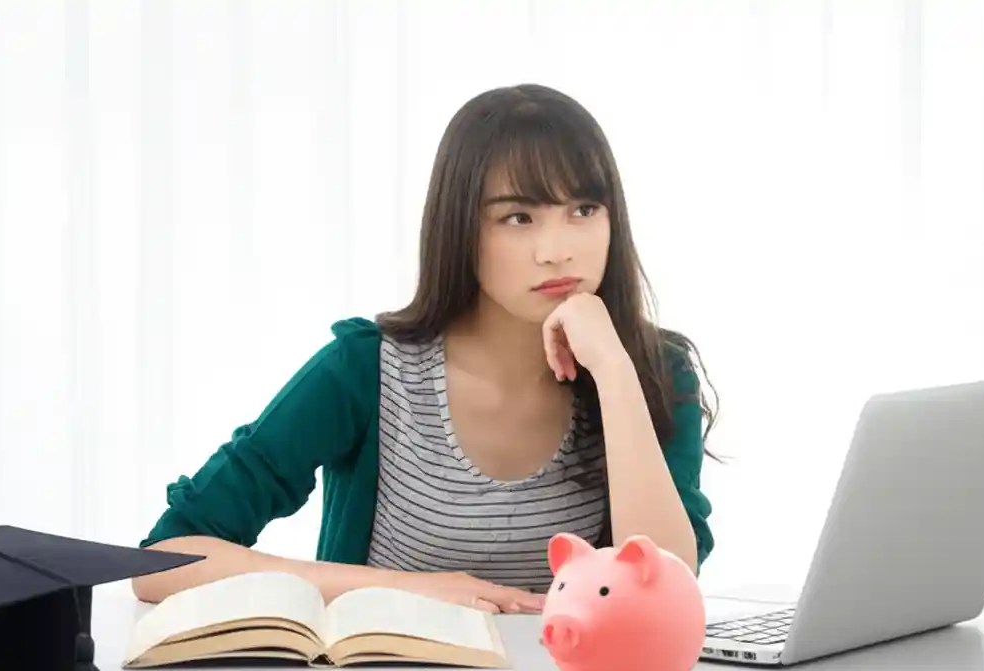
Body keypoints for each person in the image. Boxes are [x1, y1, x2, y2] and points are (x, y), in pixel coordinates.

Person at [133, 83, 720, 615]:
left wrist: (615, 370)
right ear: (460, 228)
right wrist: (402, 587)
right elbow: (164, 559)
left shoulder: (654, 372)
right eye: (518, 217)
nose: (556, 249)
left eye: (584, 211)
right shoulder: (365, 369)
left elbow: (667, 585)